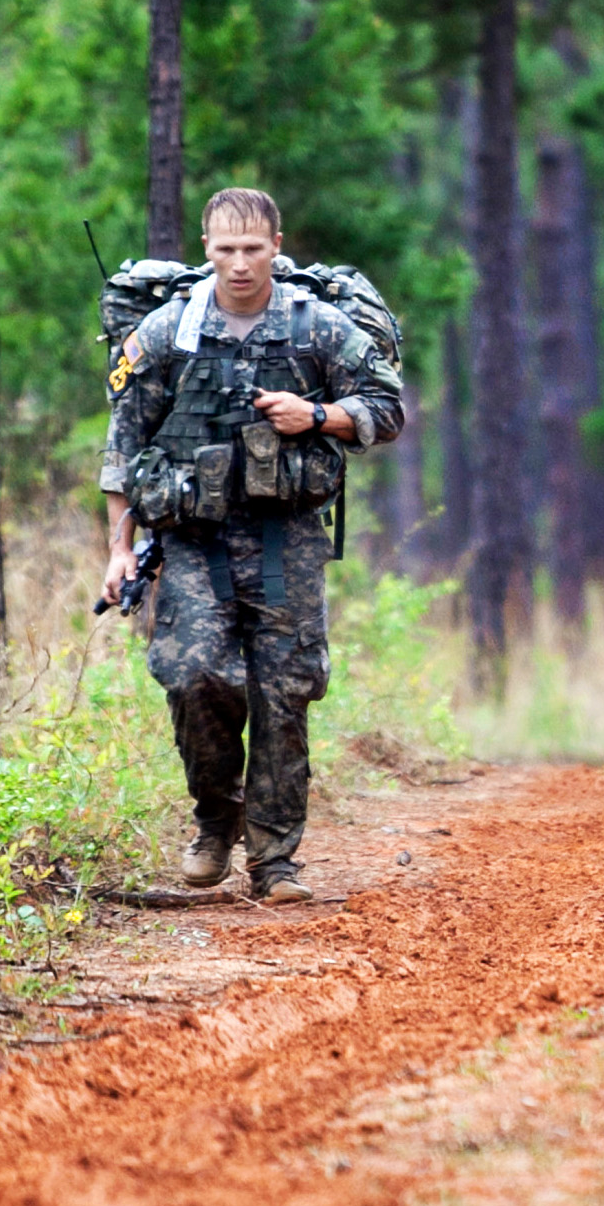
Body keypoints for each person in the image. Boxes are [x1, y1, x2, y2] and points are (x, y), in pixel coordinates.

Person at [99, 188, 403, 903]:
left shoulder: (317, 329)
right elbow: (123, 439)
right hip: (194, 537)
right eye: (224, 248)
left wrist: (319, 414)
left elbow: (387, 407)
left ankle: (274, 860)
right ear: (206, 246)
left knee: (284, 690)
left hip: (284, 537)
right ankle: (215, 820)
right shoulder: (171, 328)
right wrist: (119, 548)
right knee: (191, 671)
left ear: (276, 244)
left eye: (253, 248)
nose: (239, 264)